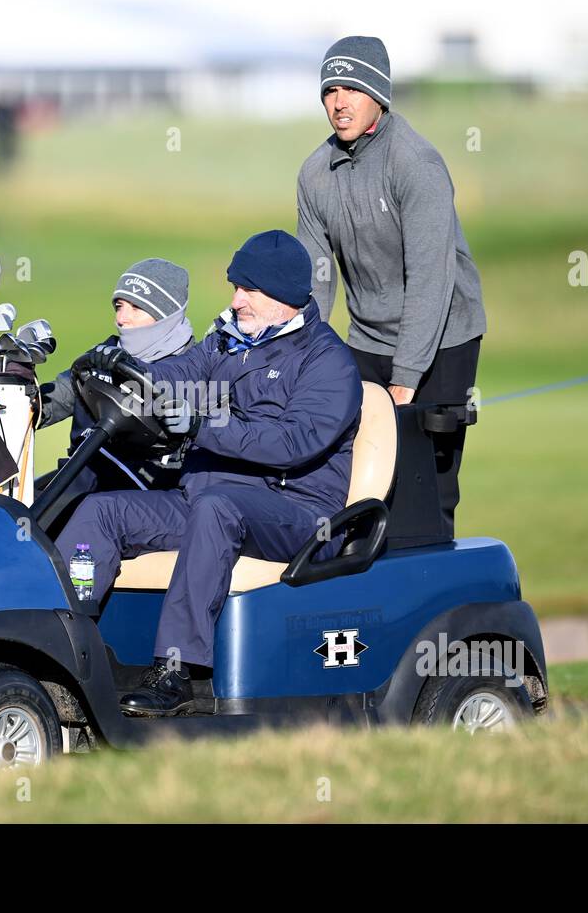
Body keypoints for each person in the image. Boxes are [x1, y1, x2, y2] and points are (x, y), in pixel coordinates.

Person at [55, 230, 362, 716]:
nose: (235, 298)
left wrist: (202, 425)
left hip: (296, 513)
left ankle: (176, 674)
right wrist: (126, 368)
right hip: (208, 498)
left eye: (247, 289)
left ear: (282, 295)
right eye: (235, 286)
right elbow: (182, 371)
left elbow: (291, 443)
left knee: (217, 510)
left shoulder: (328, 361)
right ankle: (65, 644)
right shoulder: (228, 339)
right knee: (103, 510)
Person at [297, 35, 486, 535]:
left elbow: (430, 277)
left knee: (428, 481)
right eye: (330, 90)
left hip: (444, 337)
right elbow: (317, 279)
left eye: (352, 89)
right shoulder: (315, 174)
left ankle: (432, 591)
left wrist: (406, 377)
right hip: (368, 337)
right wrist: (302, 355)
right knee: (360, 475)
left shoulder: (416, 164)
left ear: (378, 94)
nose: (339, 102)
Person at [36, 259, 196, 512]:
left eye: (136, 308)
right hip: (83, 477)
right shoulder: (103, 356)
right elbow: (52, 400)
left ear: (166, 315)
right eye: (119, 306)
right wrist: (19, 387)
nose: (121, 319)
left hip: (149, 495)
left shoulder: (194, 367)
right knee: (17, 505)